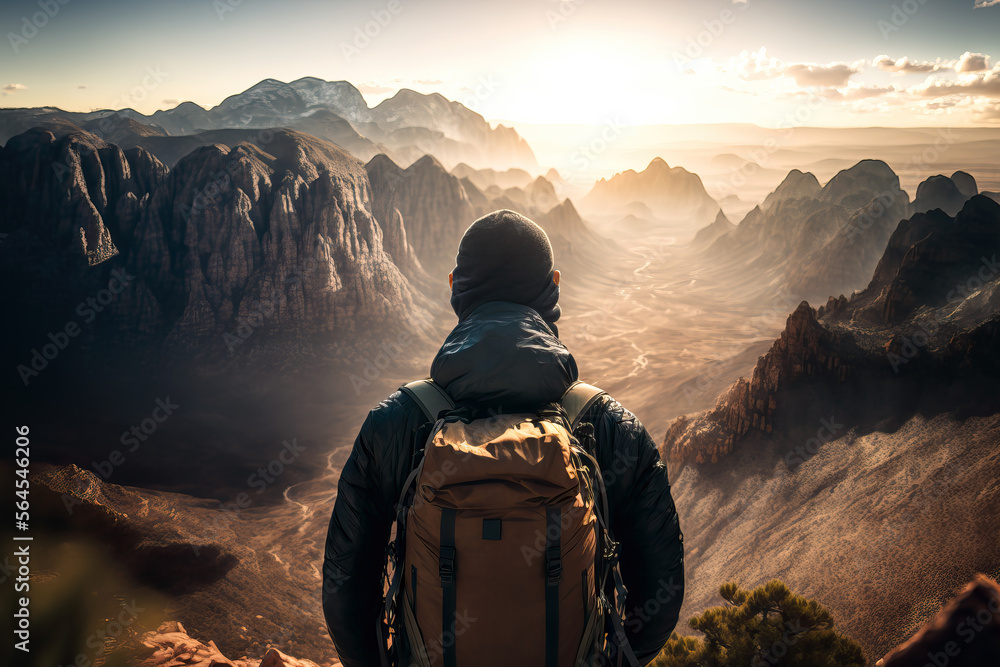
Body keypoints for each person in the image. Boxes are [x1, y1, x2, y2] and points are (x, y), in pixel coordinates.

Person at [322, 209, 684, 666]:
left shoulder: (394, 423)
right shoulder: (611, 428)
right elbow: (661, 594)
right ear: (554, 285)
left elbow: (344, 592)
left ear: (454, 287)